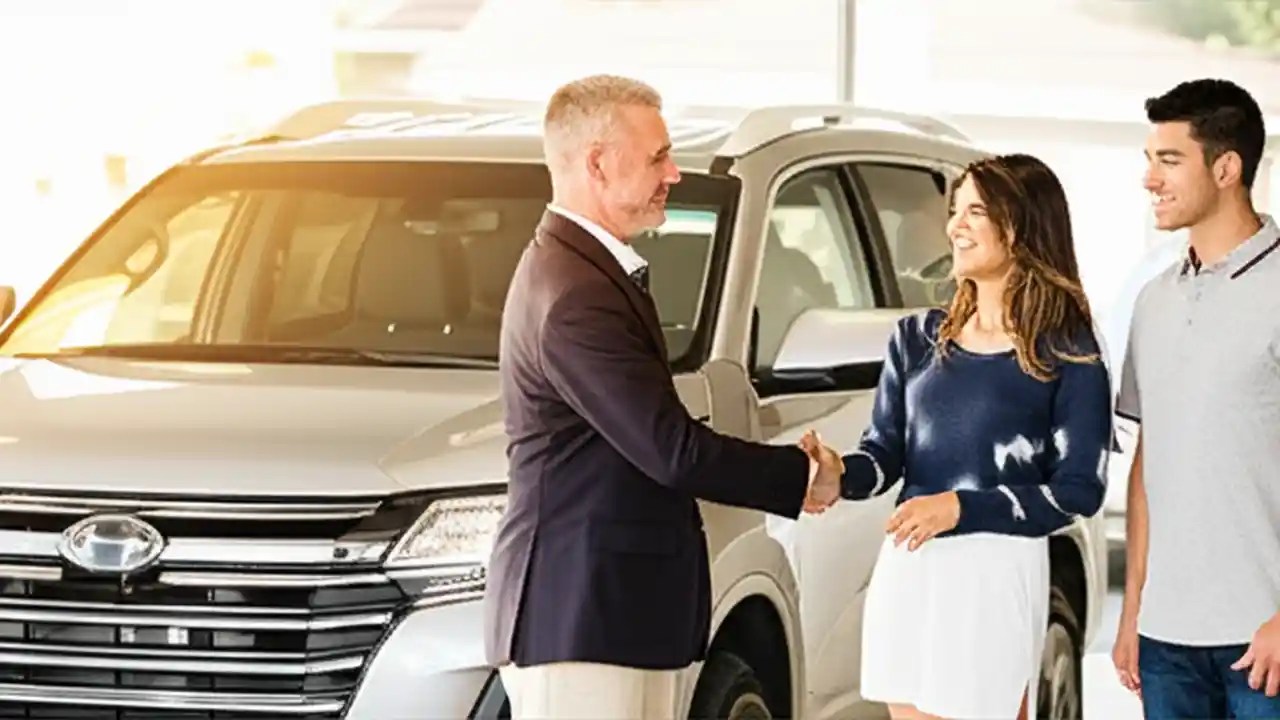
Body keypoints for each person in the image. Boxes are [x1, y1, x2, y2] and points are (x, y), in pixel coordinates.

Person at [482, 74, 844, 720]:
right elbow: (670, 449)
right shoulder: (575, 295)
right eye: (657, 158)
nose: (672, 173)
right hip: (582, 620)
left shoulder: (584, 271)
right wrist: (801, 476)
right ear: (597, 163)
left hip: (614, 615)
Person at [802, 153, 1112, 719]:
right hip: (912, 565)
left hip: (994, 572)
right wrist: (836, 475)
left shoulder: (1068, 353)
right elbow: (883, 456)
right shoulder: (916, 339)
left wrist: (960, 509)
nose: (955, 226)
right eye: (954, 211)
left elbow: (1078, 492)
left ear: (1020, 226)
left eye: (976, 211)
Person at [1110, 78, 1280, 718]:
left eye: (1169, 160)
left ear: (1228, 167)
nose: (1150, 179)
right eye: (1149, 160)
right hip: (1166, 640)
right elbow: (1149, 465)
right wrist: (1133, 610)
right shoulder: (1153, 301)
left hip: (1263, 639)